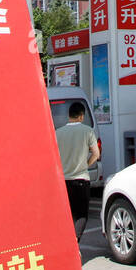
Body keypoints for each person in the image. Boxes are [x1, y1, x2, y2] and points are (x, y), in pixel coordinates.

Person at [55, 101, 100, 239]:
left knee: (67, 216)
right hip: (81, 179)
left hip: (64, 181)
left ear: (69, 116)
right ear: (81, 116)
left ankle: (68, 243)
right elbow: (96, 154)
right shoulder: (87, 131)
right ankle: (75, 242)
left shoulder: (58, 133)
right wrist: (86, 164)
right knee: (81, 215)